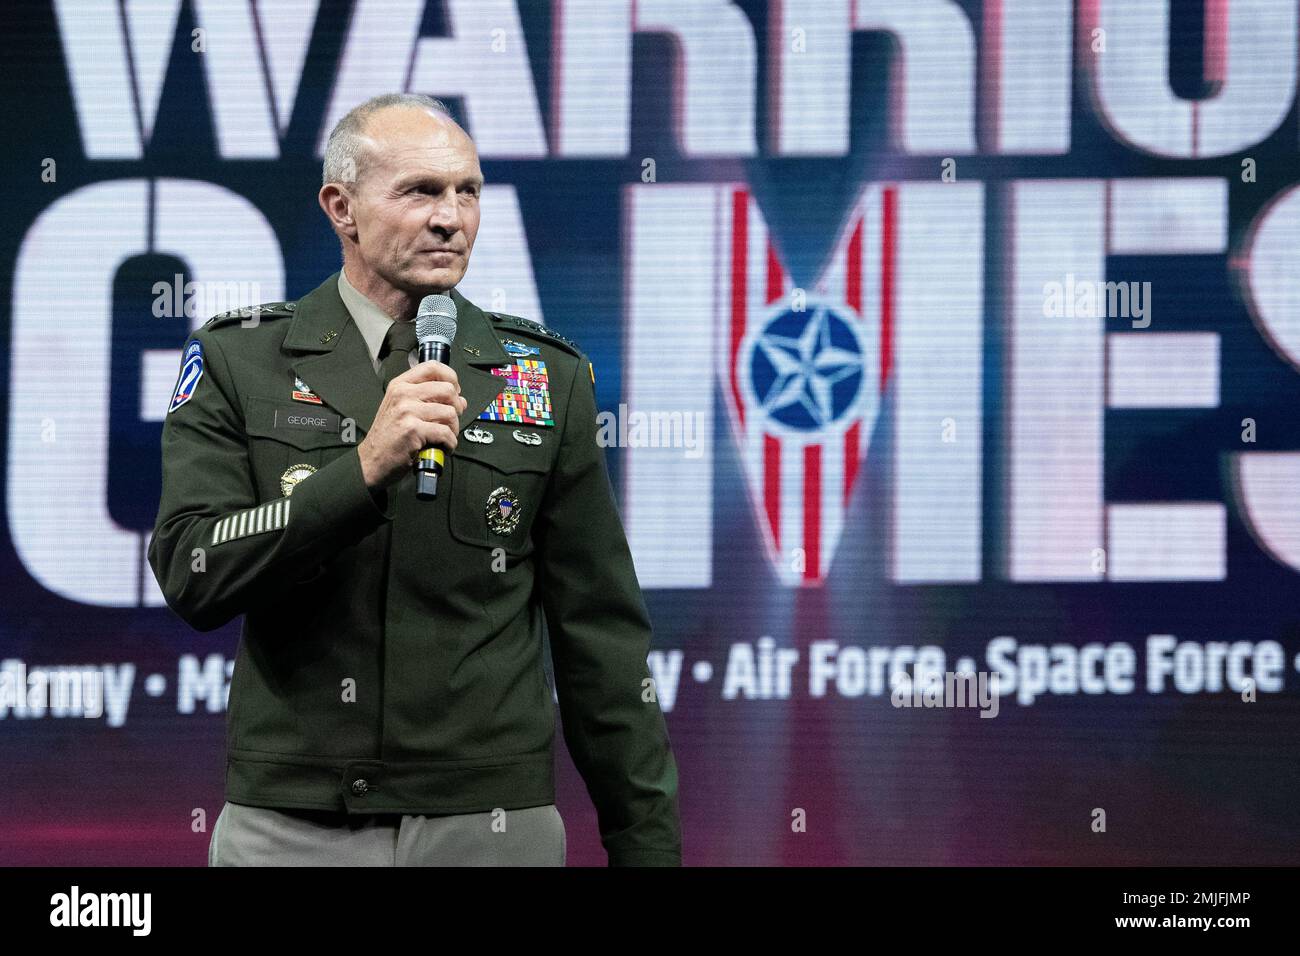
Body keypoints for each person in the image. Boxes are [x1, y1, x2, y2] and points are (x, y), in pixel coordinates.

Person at [148, 93, 682, 866]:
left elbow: (599, 640)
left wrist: (648, 846)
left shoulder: (544, 375)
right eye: (420, 191)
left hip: (492, 822)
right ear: (342, 207)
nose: (451, 217)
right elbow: (191, 568)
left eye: (468, 191)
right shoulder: (241, 360)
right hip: (293, 823)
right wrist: (361, 471)